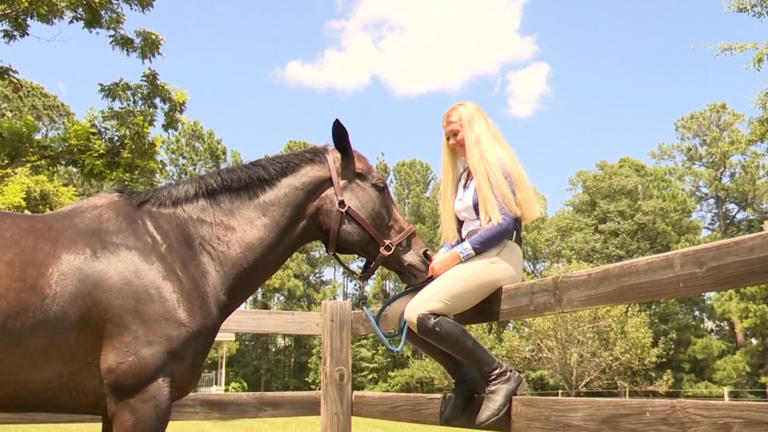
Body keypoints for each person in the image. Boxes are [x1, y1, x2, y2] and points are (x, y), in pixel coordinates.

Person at [403, 101, 542, 426]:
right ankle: (465, 378)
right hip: (473, 260)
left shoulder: (496, 165)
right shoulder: (464, 178)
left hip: (501, 255)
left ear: (473, 129)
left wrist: (457, 255)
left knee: (418, 312)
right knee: (395, 317)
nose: (452, 143)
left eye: (456, 134)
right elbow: (461, 232)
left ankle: (498, 374)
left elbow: (504, 223)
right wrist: (442, 254)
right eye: (447, 137)